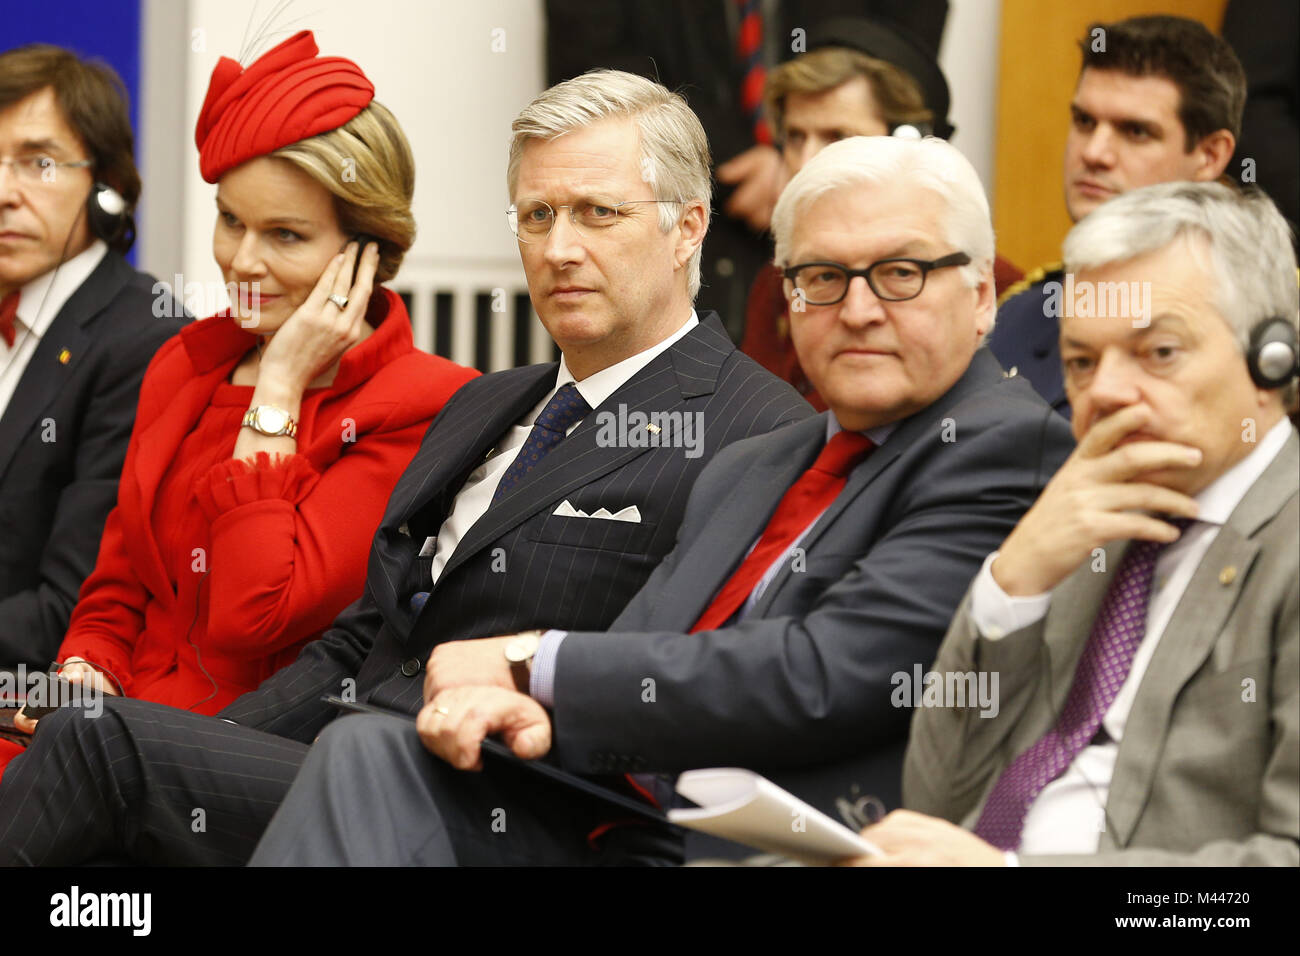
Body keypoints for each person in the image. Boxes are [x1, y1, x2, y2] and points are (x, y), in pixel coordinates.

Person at [0, 68, 812, 865]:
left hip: (513, 802)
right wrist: (207, 748)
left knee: (96, 745)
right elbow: (362, 638)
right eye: (537, 215)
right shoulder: (487, 405)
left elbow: (702, 683)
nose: (560, 248)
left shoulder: (758, 429)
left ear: (690, 226)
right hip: (349, 755)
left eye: (598, 213)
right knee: (94, 748)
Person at [241, 135, 1075, 866]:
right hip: (610, 807)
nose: (855, 310)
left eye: (899, 273)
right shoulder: (768, 459)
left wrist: (531, 665)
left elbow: (830, 670)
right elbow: (650, 647)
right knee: (367, 755)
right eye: (821, 277)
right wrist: (531, 706)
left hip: (780, 843)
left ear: (978, 296)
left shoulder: (1000, 444)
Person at [0, 32, 479, 769]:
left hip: (227, 765)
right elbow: (112, 590)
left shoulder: (427, 402)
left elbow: (253, 616)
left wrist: (281, 387)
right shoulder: (183, 366)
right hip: (99, 731)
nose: (242, 261)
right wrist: (82, 672)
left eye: (284, 235)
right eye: (231, 221)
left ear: (368, 253)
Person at [857, 182, 1298, 866]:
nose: (1107, 393)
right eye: (1083, 363)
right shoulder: (1086, 519)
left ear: (1272, 360)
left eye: (1159, 353)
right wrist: (1014, 581)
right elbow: (937, 798)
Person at [0, 45, 186, 670]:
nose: (4, 192)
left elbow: (67, 609)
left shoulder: (143, 338)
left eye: (39, 163)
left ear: (106, 186)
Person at [738, 17, 1023, 409]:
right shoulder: (777, 282)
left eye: (836, 138)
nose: (804, 163)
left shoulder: (994, 284)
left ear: (910, 141)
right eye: (795, 137)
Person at [989, 15, 1243, 418]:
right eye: (1085, 122)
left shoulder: (1269, 314)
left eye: (1136, 131)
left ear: (1210, 155)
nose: (1094, 153)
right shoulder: (1020, 315)